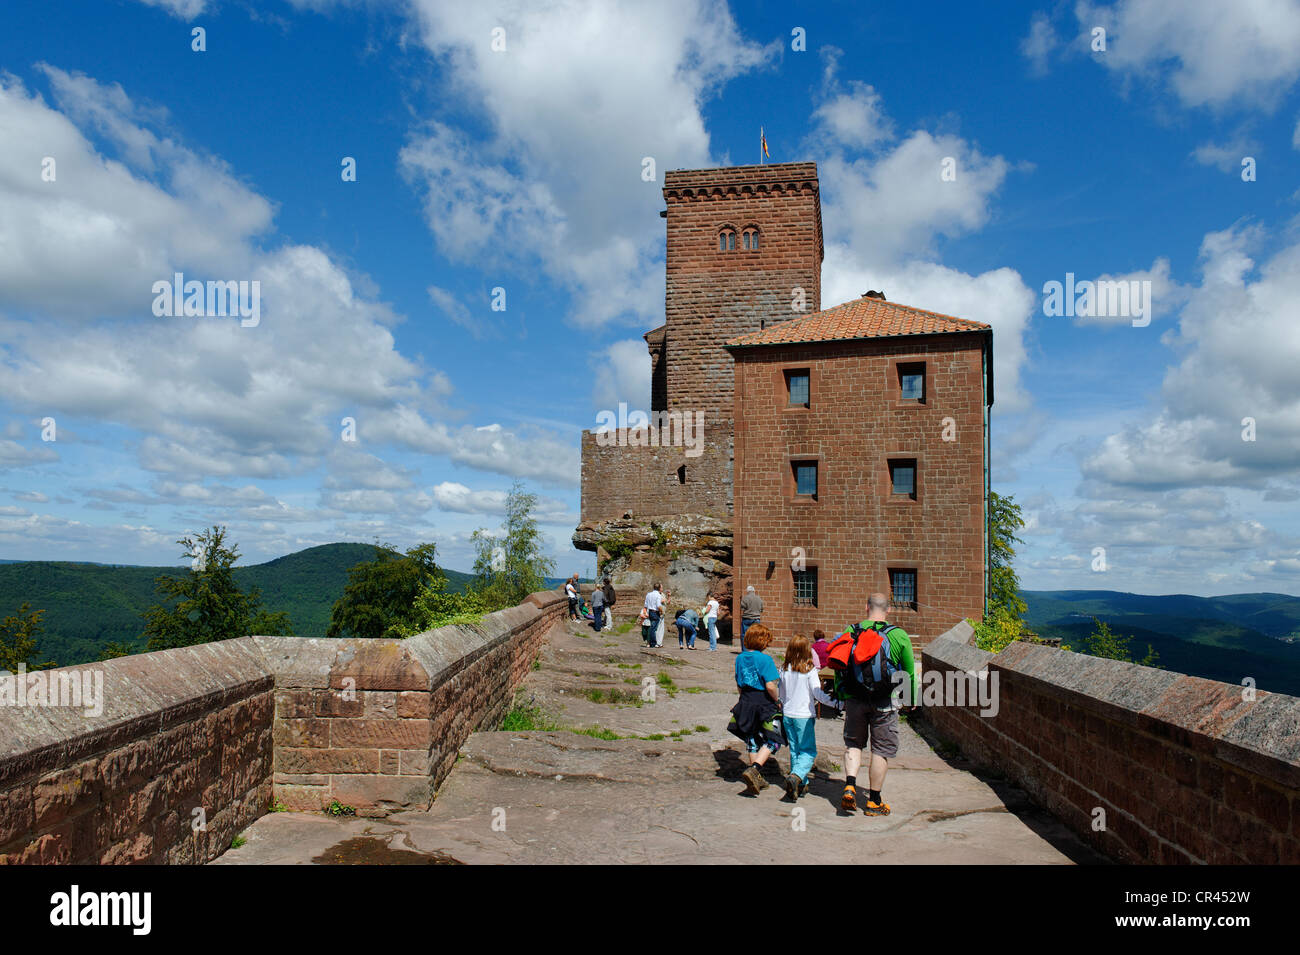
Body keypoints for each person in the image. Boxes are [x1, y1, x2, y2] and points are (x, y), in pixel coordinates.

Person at [832, 593, 918, 817]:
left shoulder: (850, 631)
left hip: (854, 699)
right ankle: (874, 802)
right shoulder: (899, 635)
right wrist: (910, 700)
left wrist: (842, 693)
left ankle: (850, 785)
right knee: (880, 750)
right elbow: (908, 672)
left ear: (866, 607)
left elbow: (839, 666)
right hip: (884, 702)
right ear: (888, 610)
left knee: (853, 744)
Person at [779, 633, 842, 800]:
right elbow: (817, 694)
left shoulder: (784, 669)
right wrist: (836, 703)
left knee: (795, 750)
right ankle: (796, 775)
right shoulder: (809, 670)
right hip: (804, 716)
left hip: (788, 714)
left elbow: (782, 695)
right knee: (808, 751)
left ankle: (800, 784)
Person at [727, 623, 782, 795]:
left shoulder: (740, 658)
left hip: (746, 699)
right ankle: (755, 769)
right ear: (761, 641)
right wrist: (778, 700)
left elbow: (739, 683)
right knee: (775, 738)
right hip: (763, 701)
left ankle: (755, 778)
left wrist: (742, 699)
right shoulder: (765, 659)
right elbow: (770, 685)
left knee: (751, 738)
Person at [643, 584, 664, 649]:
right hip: (655, 612)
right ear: (659, 588)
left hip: (650, 612)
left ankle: (652, 643)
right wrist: (661, 611)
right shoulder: (658, 595)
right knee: (653, 628)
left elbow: (645, 605)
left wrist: (645, 612)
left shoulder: (648, 594)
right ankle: (653, 643)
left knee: (652, 627)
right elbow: (658, 605)